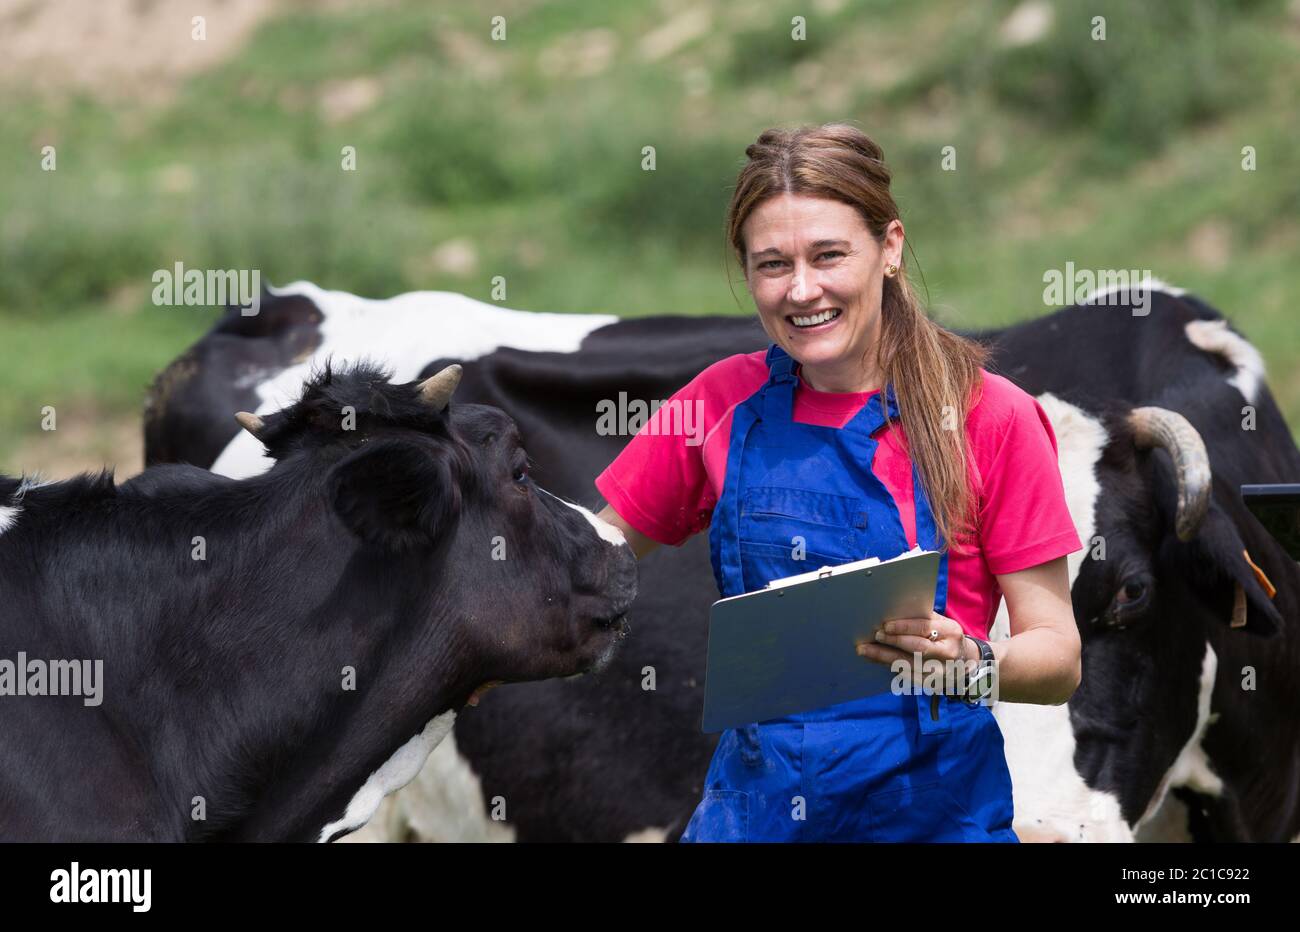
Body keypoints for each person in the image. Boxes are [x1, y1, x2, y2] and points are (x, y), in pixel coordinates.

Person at [593, 123, 1083, 842]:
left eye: (829, 256)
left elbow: (1059, 657)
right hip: (753, 820)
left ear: (889, 247)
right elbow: (594, 555)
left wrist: (971, 664)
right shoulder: (716, 402)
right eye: (771, 264)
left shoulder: (993, 417)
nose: (801, 290)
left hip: (936, 820)